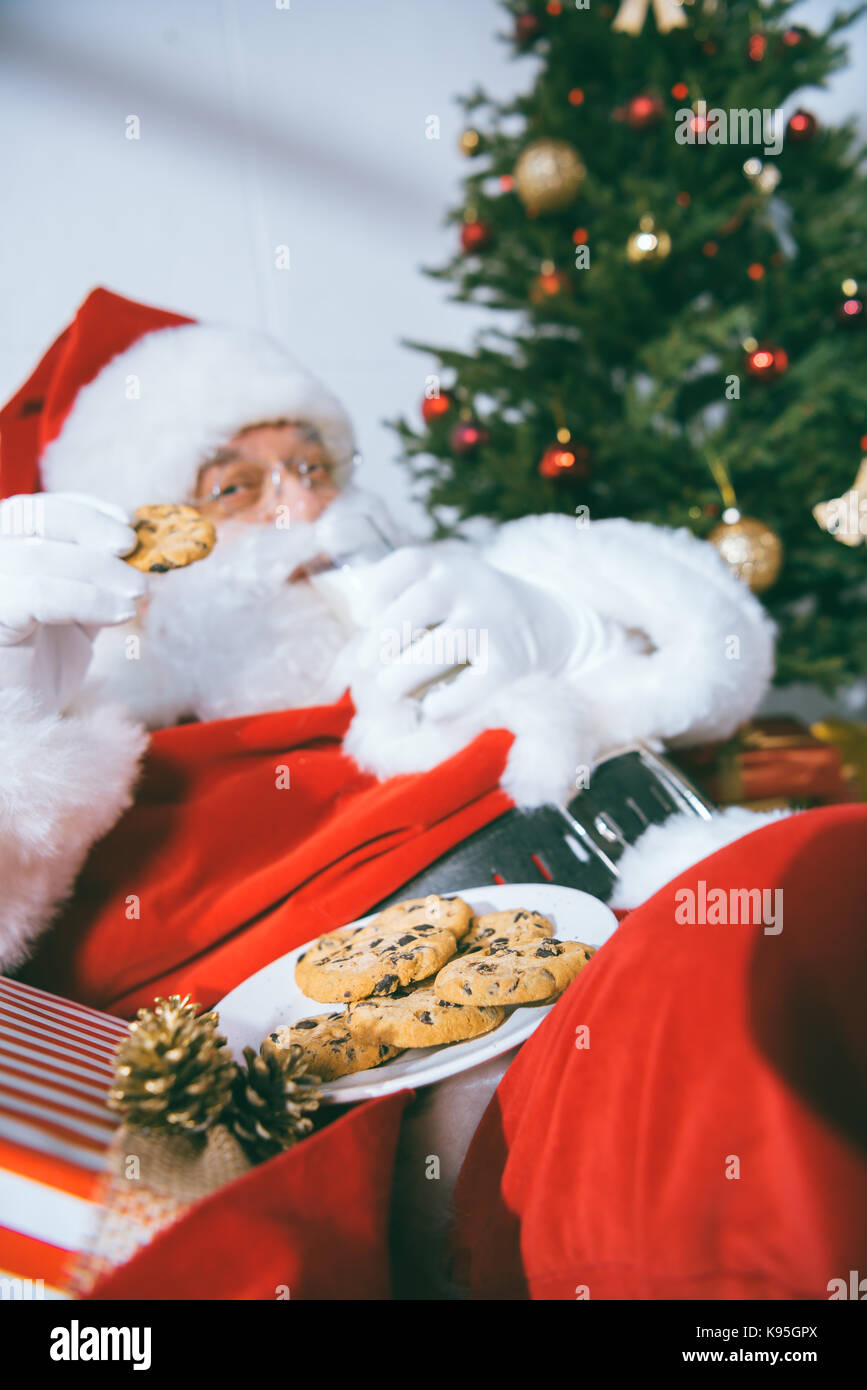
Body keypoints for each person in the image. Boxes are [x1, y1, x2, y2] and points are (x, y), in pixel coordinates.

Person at [0, 288, 774, 991]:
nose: (303, 502)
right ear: (146, 568)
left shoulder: (481, 598)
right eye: (234, 488)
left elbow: (709, 671)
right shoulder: (120, 796)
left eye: (314, 465)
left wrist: (573, 634)